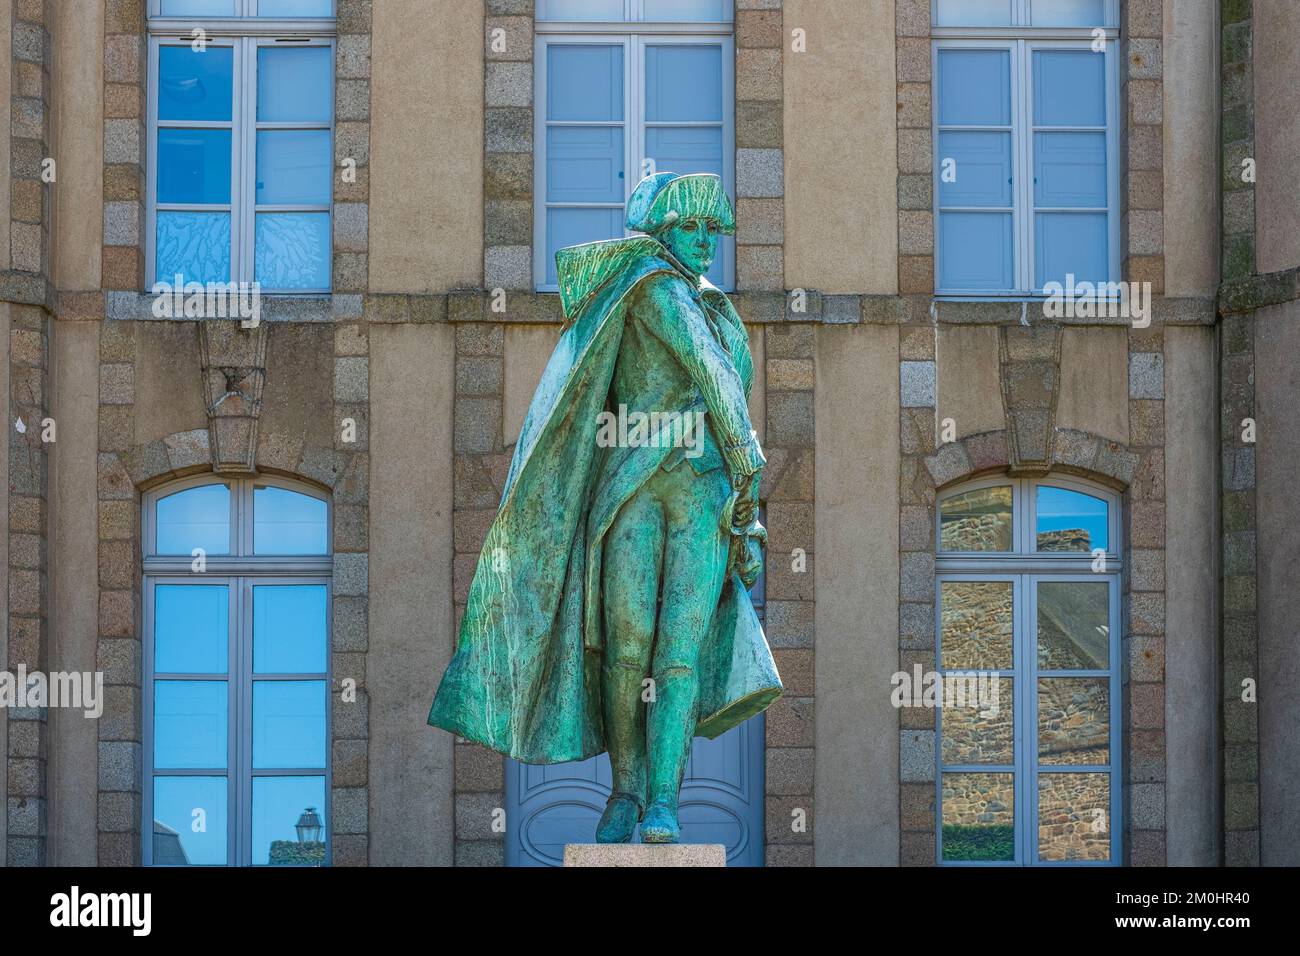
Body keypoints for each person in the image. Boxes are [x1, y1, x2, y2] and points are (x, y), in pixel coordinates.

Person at [428, 172, 780, 845]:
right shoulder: (655, 287)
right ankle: (627, 791)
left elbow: (718, 379)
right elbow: (711, 373)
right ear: (662, 231)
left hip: (701, 492)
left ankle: (662, 800)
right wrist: (750, 476)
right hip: (633, 489)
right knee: (626, 650)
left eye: (713, 230)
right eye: (691, 227)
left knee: (677, 655)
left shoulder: (702, 300)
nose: (706, 242)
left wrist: (740, 495)